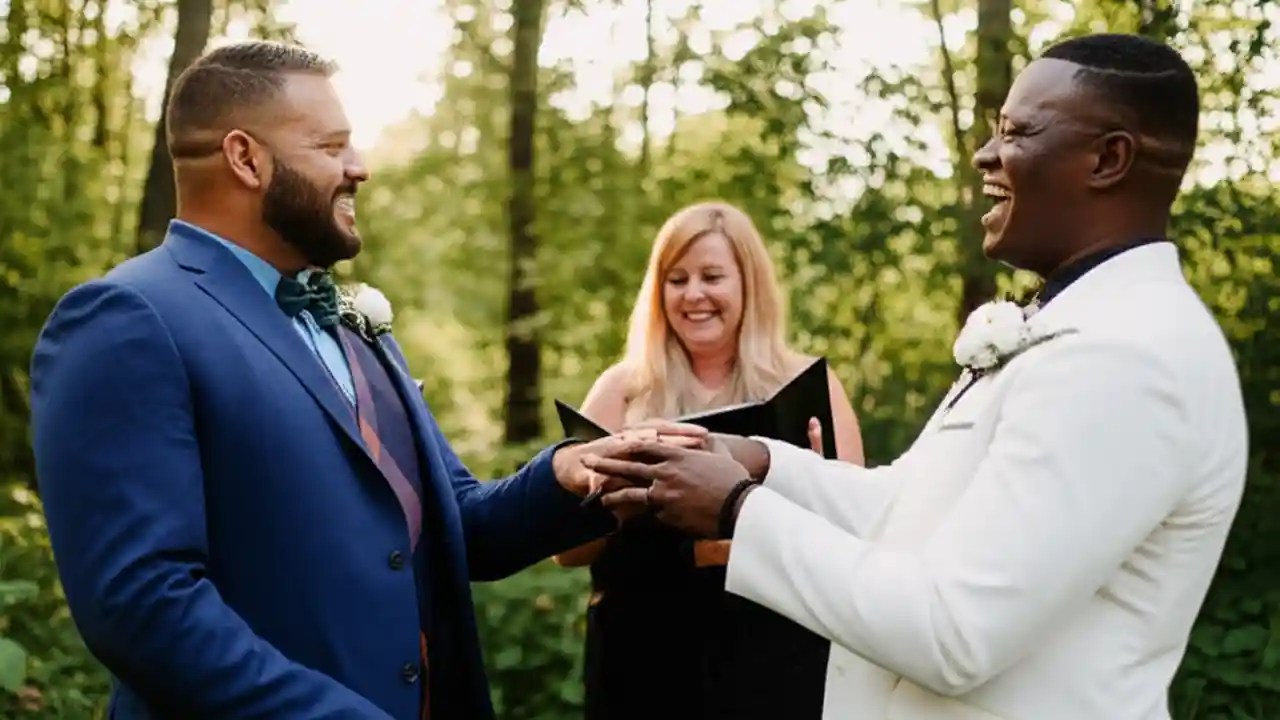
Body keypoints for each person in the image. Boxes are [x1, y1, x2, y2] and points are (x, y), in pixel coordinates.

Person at [588, 34, 1248, 719]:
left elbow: (953, 631)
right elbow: (901, 506)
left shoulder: (1126, 358)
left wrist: (735, 509)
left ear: (1108, 159)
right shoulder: (1073, 328)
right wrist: (756, 462)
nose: (985, 155)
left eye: (1017, 132)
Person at [28, 41, 640, 720]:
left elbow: (452, 522)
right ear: (246, 158)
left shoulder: (351, 322)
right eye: (331, 147)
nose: (361, 169)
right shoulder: (128, 318)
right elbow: (142, 603)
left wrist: (574, 475)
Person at [554, 201, 864, 719]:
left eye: (712, 276)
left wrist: (811, 483)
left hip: (775, 657)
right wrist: (615, 496)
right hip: (642, 660)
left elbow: (858, 524)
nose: (694, 294)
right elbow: (564, 549)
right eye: (677, 279)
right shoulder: (623, 390)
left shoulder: (808, 386)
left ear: (749, 285)